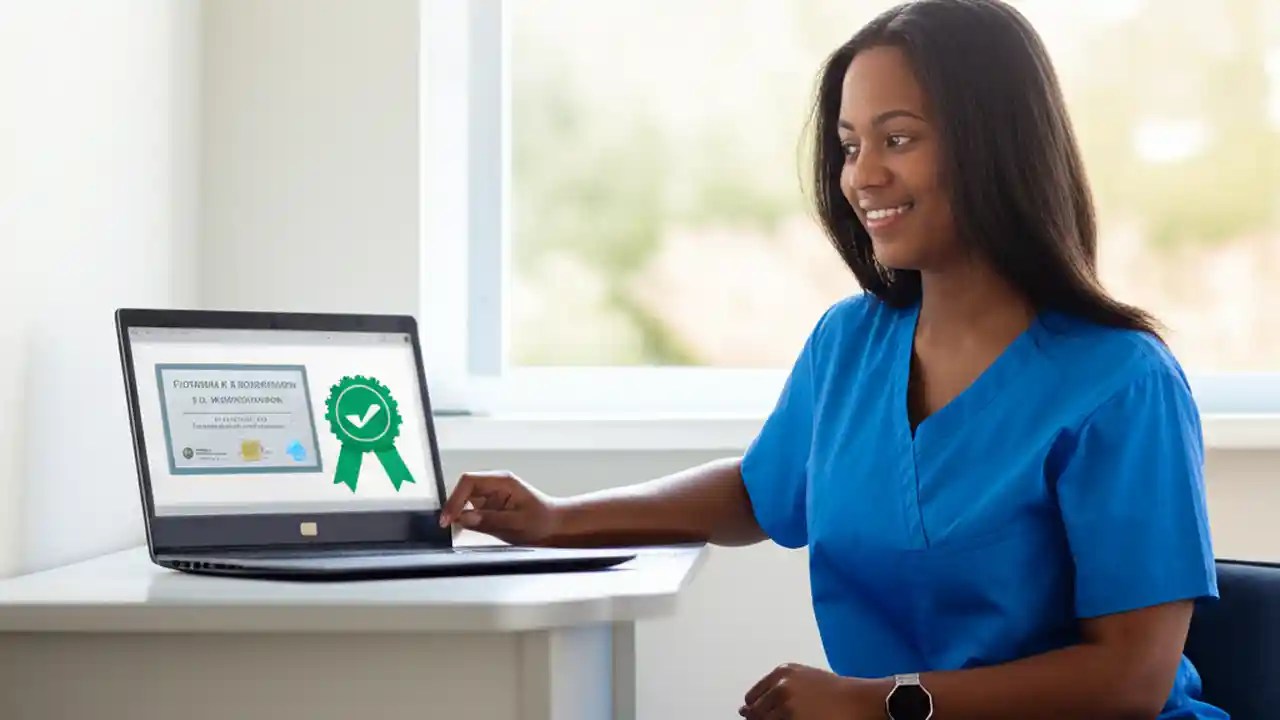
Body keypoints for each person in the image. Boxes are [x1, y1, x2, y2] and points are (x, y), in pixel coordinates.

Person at [439, 1, 1225, 718]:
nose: (862, 175)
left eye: (899, 138)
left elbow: (1131, 680)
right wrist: (557, 518)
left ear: (995, 143)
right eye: (850, 145)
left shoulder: (1121, 381)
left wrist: (877, 703)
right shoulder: (850, 343)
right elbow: (759, 493)